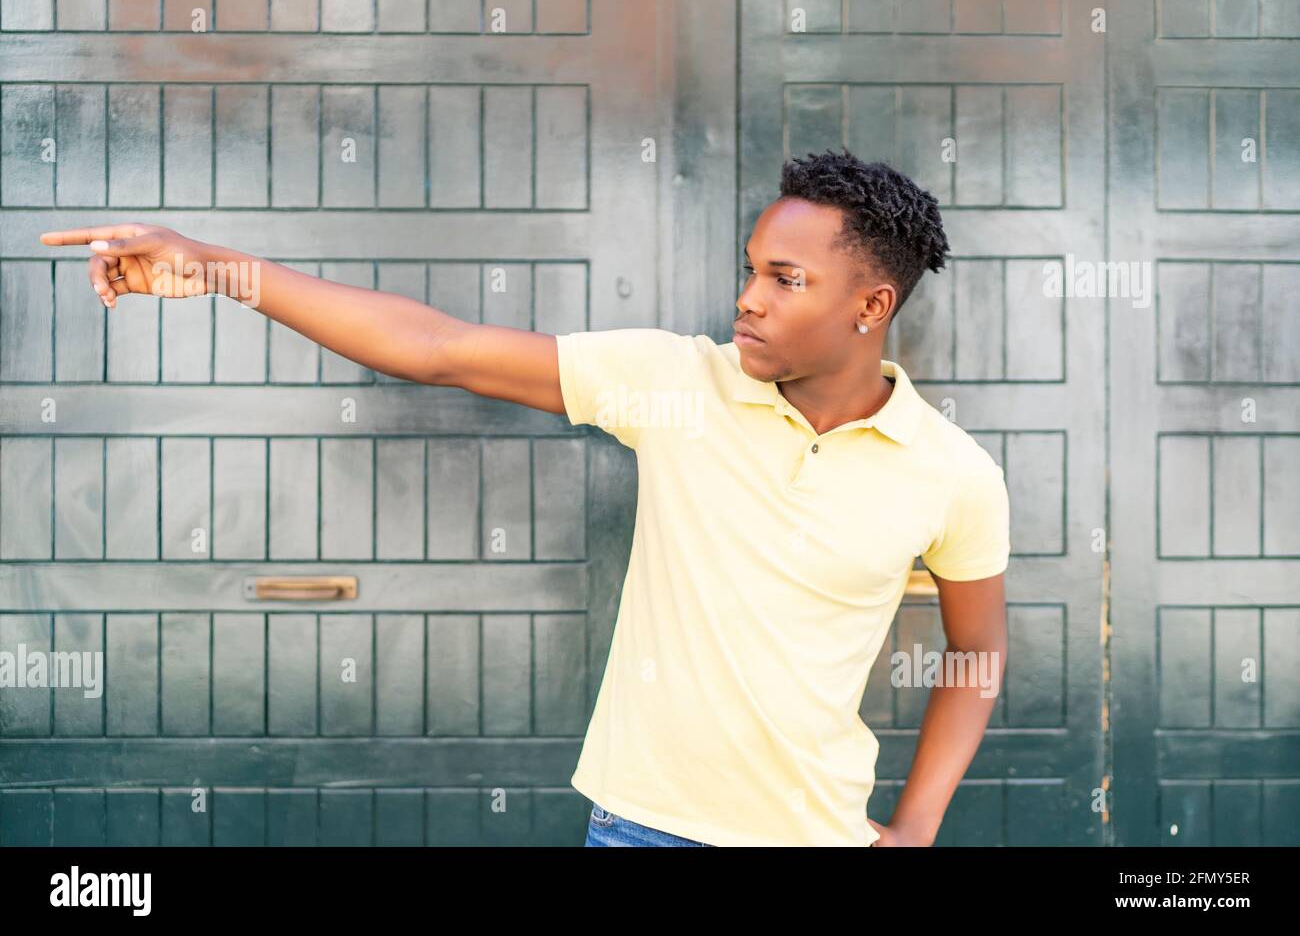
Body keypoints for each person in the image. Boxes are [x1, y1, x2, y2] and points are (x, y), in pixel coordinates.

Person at [40, 148, 1009, 848]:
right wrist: (219, 268)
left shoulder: (952, 472)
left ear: (869, 306)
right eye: (749, 268)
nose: (748, 297)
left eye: (784, 278)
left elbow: (976, 648)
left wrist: (916, 822)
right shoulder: (679, 383)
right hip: (643, 831)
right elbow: (437, 347)